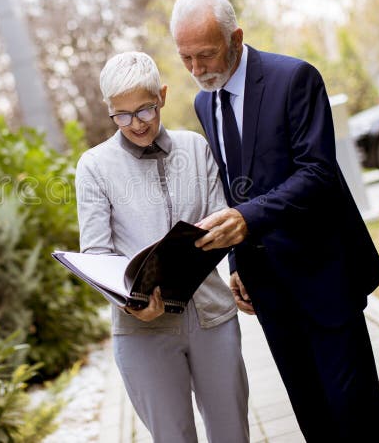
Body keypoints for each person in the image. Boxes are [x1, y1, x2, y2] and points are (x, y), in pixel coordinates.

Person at [170, 0, 379, 442]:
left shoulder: (295, 78)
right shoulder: (202, 102)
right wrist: (236, 263)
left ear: (236, 37)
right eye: (185, 58)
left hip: (324, 276)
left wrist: (248, 218)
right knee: (313, 417)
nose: (196, 70)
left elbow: (319, 173)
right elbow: (231, 187)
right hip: (268, 288)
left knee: (356, 417)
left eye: (205, 54)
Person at [75, 51, 250, 442]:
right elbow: (97, 253)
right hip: (142, 329)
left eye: (145, 109)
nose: (136, 124)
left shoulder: (194, 148)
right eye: (122, 115)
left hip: (210, 317)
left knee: (232, 434)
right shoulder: (94, 167)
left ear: (163, 96)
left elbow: (221, 218)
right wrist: (130, 302)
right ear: (109, 110)